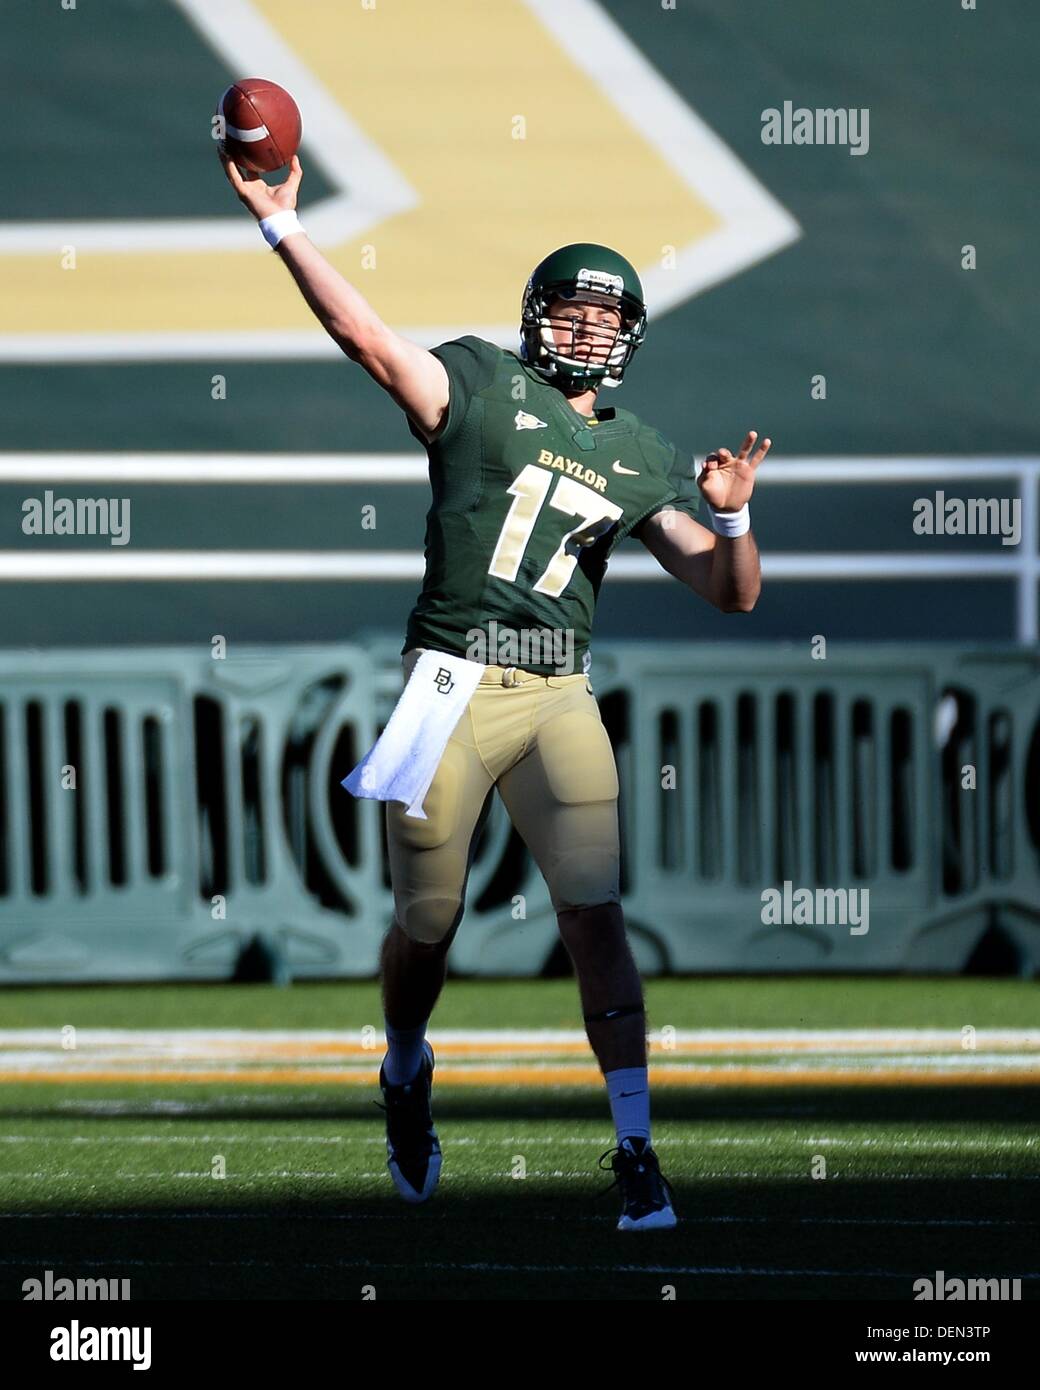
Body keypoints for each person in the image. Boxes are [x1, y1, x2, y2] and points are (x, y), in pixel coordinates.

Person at [221, 152, 770, 1231]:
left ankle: (632, 1144)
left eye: (604, 323)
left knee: (593, 918)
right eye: (569, 316)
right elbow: (370, 343)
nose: (585, 336)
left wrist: (739, 517)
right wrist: (283, 227)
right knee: (427, 922)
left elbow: (727, 590)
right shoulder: (479, 384)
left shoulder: (643, 455)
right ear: (535, 321)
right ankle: (403, 1064)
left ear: (629, 341)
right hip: (445, 685)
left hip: (559, 693)